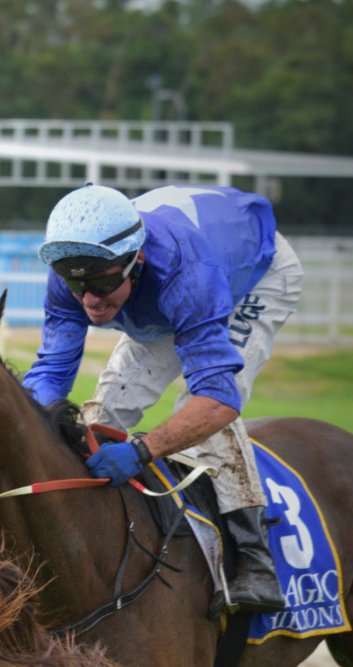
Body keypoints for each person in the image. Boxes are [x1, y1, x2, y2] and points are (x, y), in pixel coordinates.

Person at [23, 182, 304, 614]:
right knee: (100, 415)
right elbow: (51, 374)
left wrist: (143, 450)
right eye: (78, 284)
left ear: (135, 259)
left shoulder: (186, 277)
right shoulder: (72, 272)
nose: (90, 300)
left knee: (198, 412)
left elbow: (217, 401)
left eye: (102, 282)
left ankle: (255, 560)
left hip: (252, 277)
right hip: (170, 280)